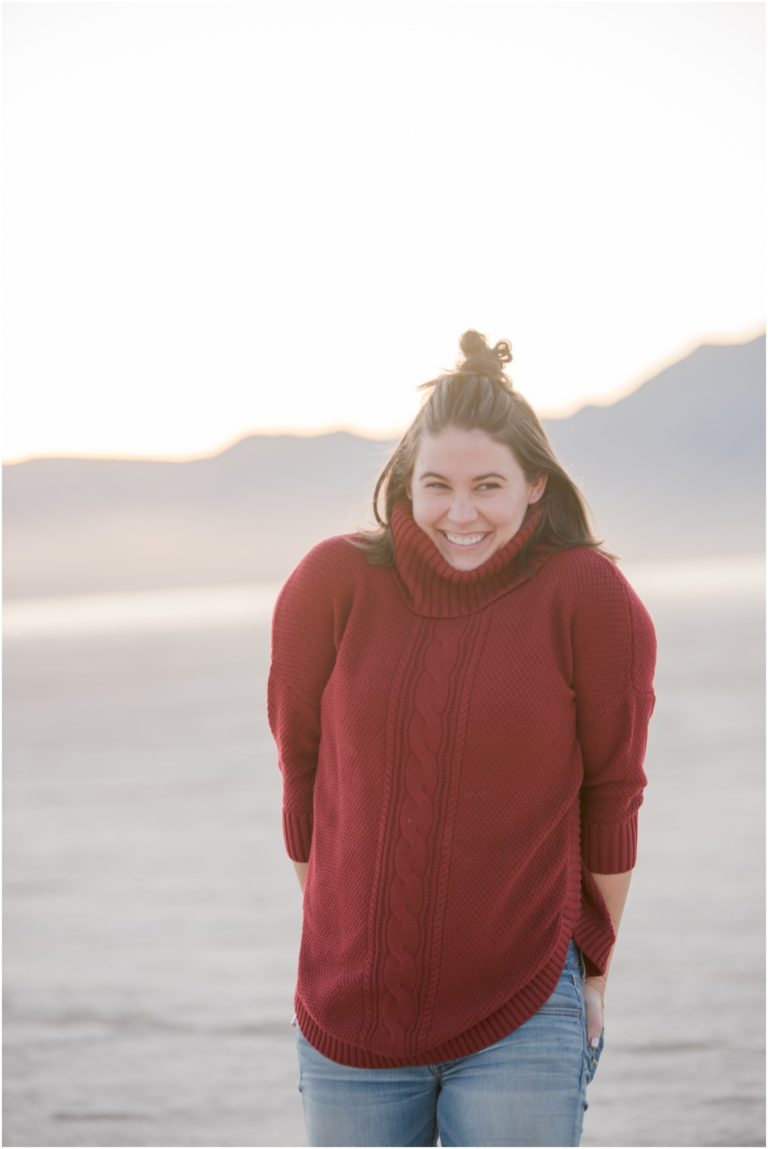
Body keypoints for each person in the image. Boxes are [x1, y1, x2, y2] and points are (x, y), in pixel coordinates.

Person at [267, 330, 657, 1147]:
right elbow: (301, 779)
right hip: (349, 1021)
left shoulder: (588, 595)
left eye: (488, 485)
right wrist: (349, 938)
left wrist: (593, 964)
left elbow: (613, 797)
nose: (461, 511)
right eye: (437, 485)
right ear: (407, 485)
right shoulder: (330, 585)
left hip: (522, 1013)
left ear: (535, 486)